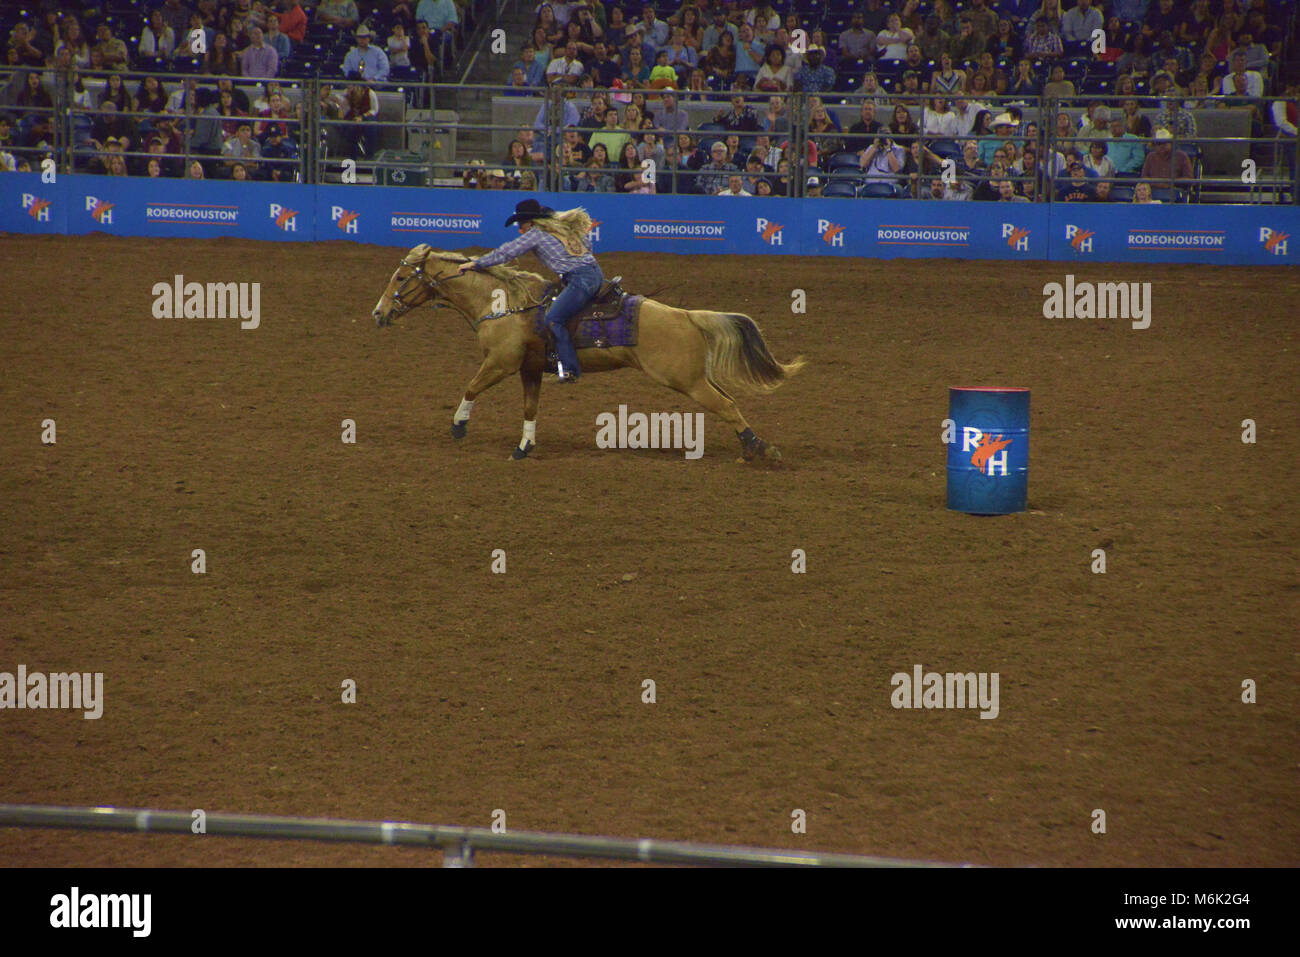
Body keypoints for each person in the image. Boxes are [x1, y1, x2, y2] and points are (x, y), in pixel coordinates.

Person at [457, 201, 603, 383]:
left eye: (521, 225)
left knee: (553, 318)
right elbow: (587, 246)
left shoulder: (536, 234)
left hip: (580, 280)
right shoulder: (562, 229)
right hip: (595, 273)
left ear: (531, 222)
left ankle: (569, 369)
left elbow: (506, 252)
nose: (521, 230)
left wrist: (475, 263)